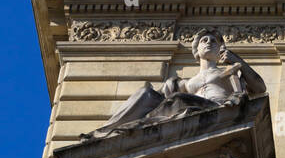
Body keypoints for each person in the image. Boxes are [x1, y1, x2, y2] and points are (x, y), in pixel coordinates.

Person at [86, 28, 267, 139]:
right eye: (204, 41)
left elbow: (259, 88)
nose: (209, 43)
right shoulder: (185, 83)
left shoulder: (229, 71)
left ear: (221, 48)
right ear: (196, 51)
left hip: (218, 109)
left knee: (178, 99)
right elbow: (157, 98)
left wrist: (238, 61)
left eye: (214, 41)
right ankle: (108, 131)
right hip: (187, 108)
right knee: (146, 93)